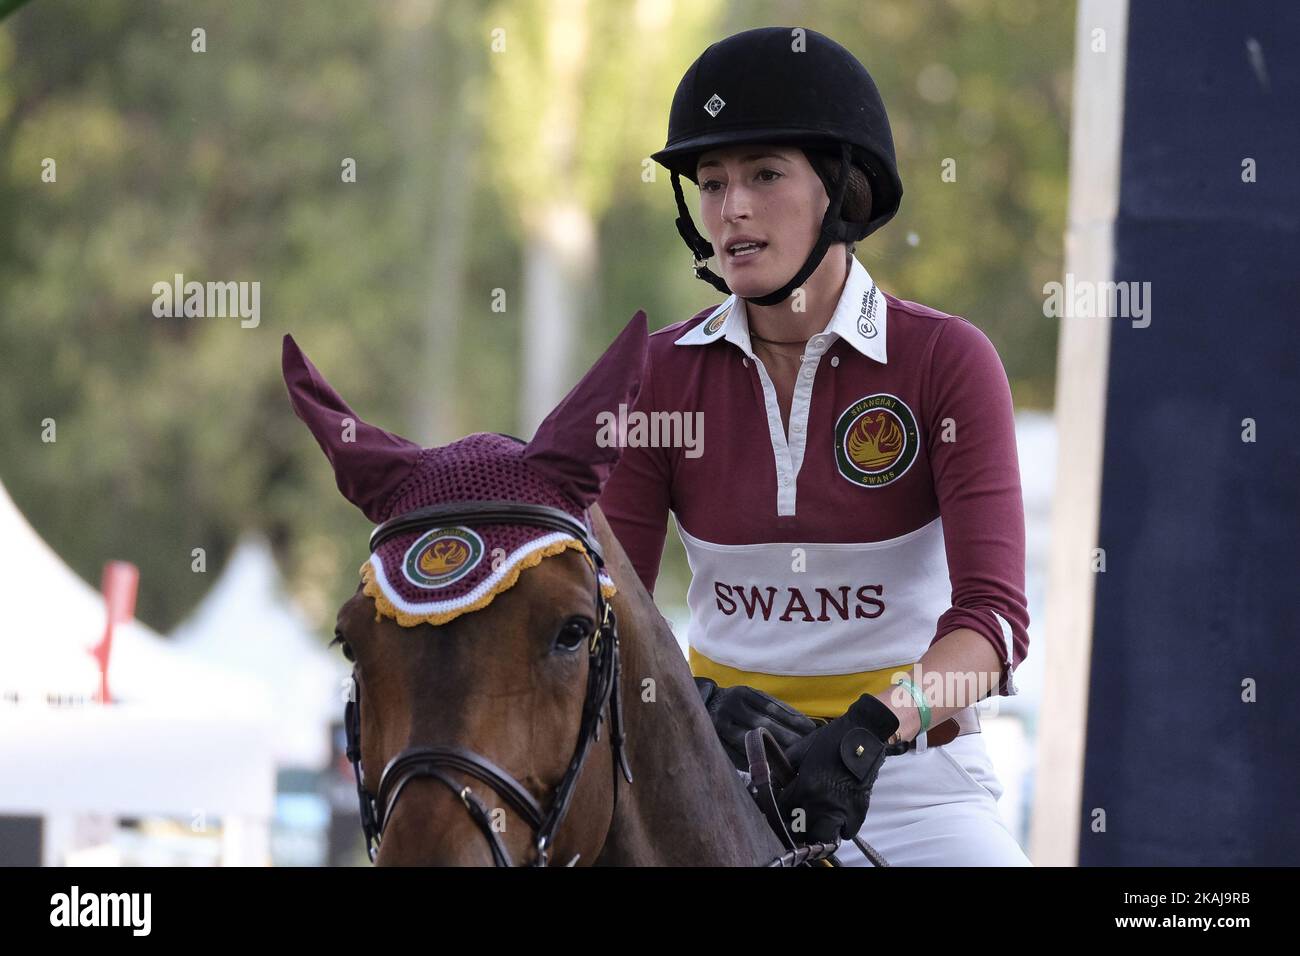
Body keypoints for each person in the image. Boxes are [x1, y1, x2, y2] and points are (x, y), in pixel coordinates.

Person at [598, 26, 1032, 866]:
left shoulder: (947, 360)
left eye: (764, 175)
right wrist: (702, 700)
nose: (731, 210)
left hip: (912, 786)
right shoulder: (655, 374)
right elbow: (611, 608)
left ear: (845, 190)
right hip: (709, 777)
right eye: (713, 184)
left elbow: (994, 625)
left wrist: (870, 731)